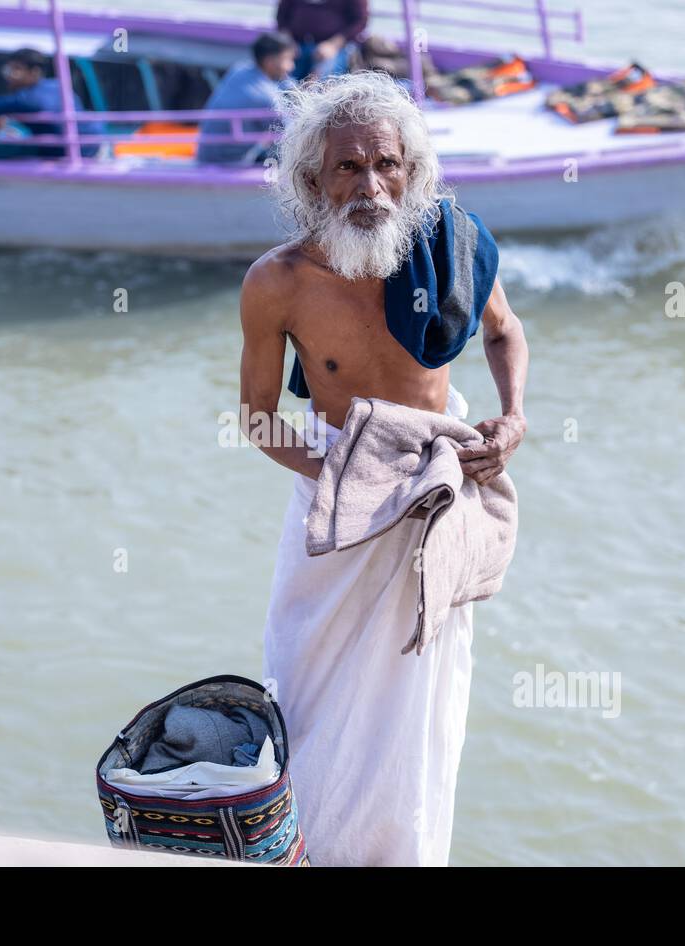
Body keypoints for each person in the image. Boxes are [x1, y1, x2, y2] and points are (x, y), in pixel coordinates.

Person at [239, 72, 529, 866]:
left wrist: (511, 419)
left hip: (435, 492)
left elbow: (505, 333)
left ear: (411, 168)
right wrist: (334, 471)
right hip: (332, 498)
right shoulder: (278, 282)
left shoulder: (452, 244)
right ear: (311, 179)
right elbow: (257, 416)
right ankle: (299, 850)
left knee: (417, 706)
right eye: (347, 167)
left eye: (387, 164)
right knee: (306, 681)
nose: (371, 185)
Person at [0, 47, 105, 160]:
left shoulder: (28, 99)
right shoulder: (57, 86)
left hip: (66, 151)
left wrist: (1, 112)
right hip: (92, 146)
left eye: (16, 70)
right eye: (8, 70)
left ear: (34, 72)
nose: (9, 75)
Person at [196, 32, 296, 165]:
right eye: (287, 60)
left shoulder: (240, 70)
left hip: (205, 154)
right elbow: (293, 134)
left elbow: (283, 84)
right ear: (270, 62)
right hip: (230, 162)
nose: (292, 66)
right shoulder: (266, 98)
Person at [275, 0, 368, 81]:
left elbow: (360, 21)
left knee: (321, 79)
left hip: (336, 47)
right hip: (296, 44)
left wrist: (333, 45)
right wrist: (288, 43)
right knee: (282, 78)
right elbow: (282, 16)